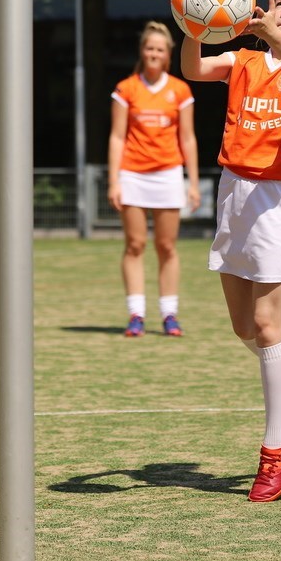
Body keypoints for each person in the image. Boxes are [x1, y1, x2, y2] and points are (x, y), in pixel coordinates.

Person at [180, 0, 281, 503]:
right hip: (233, 195)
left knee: (268, 325)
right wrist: (193, 23)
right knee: (244, 327)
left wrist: (277, 38)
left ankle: (275, 448)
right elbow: (194, 69)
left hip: (278, 201)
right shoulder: (243, 60)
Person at [107, 21, 201, 337]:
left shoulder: (180, 90)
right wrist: (114, 180)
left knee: (166, 246)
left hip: (168, 174)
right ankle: (136, 314)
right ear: (142, 52)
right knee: (134, 244)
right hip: (132, 174)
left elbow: (188, 138)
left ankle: (169, 315)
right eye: (149, 48)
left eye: (160, 49)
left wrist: (192, 181)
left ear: (168, 55)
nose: (154, 53)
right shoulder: (126, 89)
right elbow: (117, 137)